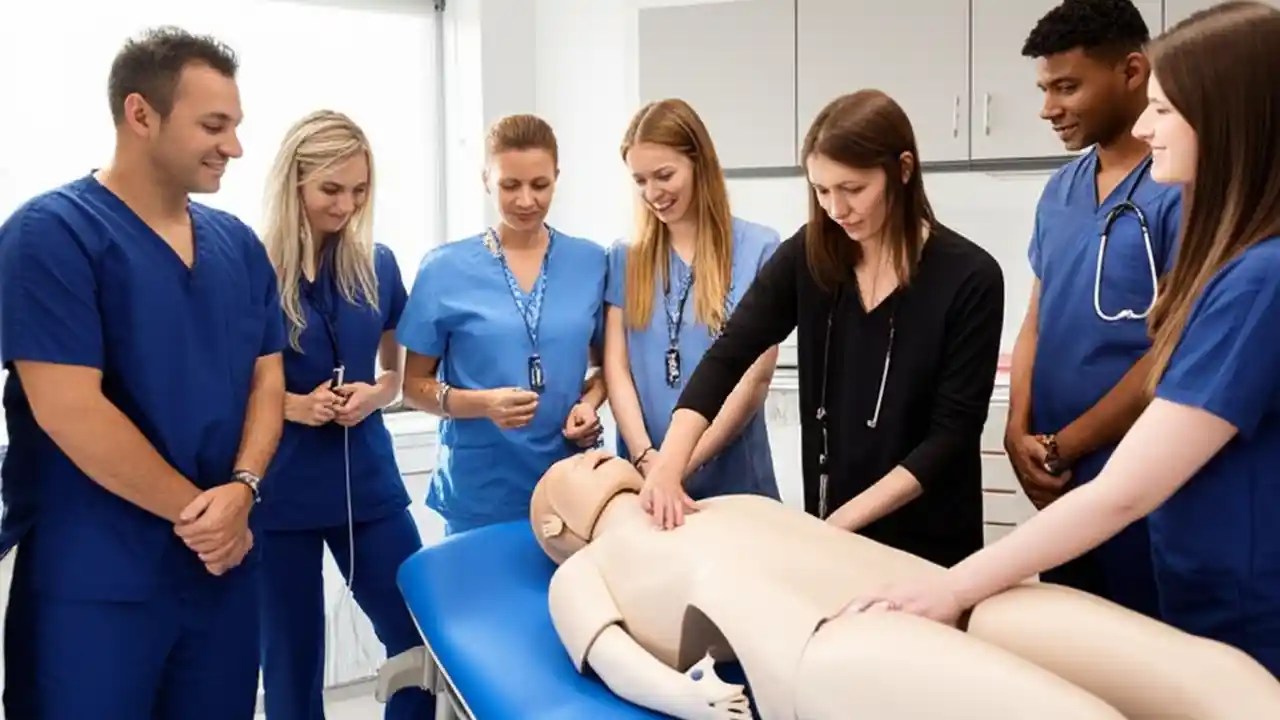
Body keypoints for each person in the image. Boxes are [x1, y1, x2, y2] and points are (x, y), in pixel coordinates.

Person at [858, 0, 1280, 680]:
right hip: (1190, 574)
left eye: (1165, 110)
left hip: (1242, 608)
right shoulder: (1228, 257)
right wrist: (1024, 431)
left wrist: (954, 588)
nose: (1147, 124)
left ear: (1228, 120)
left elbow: (1125, 491)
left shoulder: (1261, 279)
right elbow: (1041, 317)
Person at [530, 449, 1280, 720]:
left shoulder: (719, 502)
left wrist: (953, 591)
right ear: (556, 528)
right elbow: (611, 655)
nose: (595, 456)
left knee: (1214, 679)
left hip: (933, 590)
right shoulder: (586, 569)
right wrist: (689, 700)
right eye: (572, 468)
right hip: (825, 643)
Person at [0, 27, 285, 718]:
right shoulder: (51, 235)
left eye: (237, 125)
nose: (236, 146)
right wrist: (203, 517)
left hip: (220, 576)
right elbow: (69, 410)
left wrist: (243, 489)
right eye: (214, 125)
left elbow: (266, 382)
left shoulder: (238, 246)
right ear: (140, 114)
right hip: (96, 583)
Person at [641, 89, 1004, 571]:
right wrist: (668, 465)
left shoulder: (970, 278)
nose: (836, 208)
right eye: (821, 190)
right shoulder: (808, 256)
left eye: (852, 189)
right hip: (833, 533)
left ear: (903, 169)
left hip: (929, 542)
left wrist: (831, 529)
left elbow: (950, 439)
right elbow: (731, 352)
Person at [255, 110, 435, 719]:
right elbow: (220, 386)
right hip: (277, 491)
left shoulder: (378, 264)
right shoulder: (251, 269)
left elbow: (396, 375)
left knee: (417, 638)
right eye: (331, 190)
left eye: (359, 191)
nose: (346, 206)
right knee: (291, 658)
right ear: (294, 184)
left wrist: (376, 395)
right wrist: (293, 406)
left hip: (366, 483)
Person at [1007, 0, 1182, 621]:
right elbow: (1038, 315)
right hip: (1059, 476)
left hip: (1142, 475)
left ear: (1133, 71)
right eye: (1045, 88)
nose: (1048, 107)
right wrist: (1018, 428)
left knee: (1147, 655)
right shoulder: (1061, 189)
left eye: (1067, 86)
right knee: (1073, 641)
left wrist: (1064, 445)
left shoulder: (1180, 188)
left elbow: (1175, 351)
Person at [398, 113, 608, 535]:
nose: (526, 200)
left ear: (557, 178)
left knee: (566, 601)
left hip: (568, 489)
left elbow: (609, 369)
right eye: (510, 185)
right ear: (486, 180)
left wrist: (589, 404)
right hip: (480, 491)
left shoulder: (591, 262)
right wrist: (484, 405)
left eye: (540, 185)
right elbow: (413, 387)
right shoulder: (444, 269)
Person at [604, 98, 780, 502]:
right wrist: (648, 459)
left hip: (736, 486)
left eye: (665, 175)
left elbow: (754, 379)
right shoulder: (624, 258)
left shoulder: (760, 249)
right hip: (644, 481)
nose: (653, 193)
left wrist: (676, 467)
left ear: (699, 162)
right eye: (640, 180)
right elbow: (617, 368)